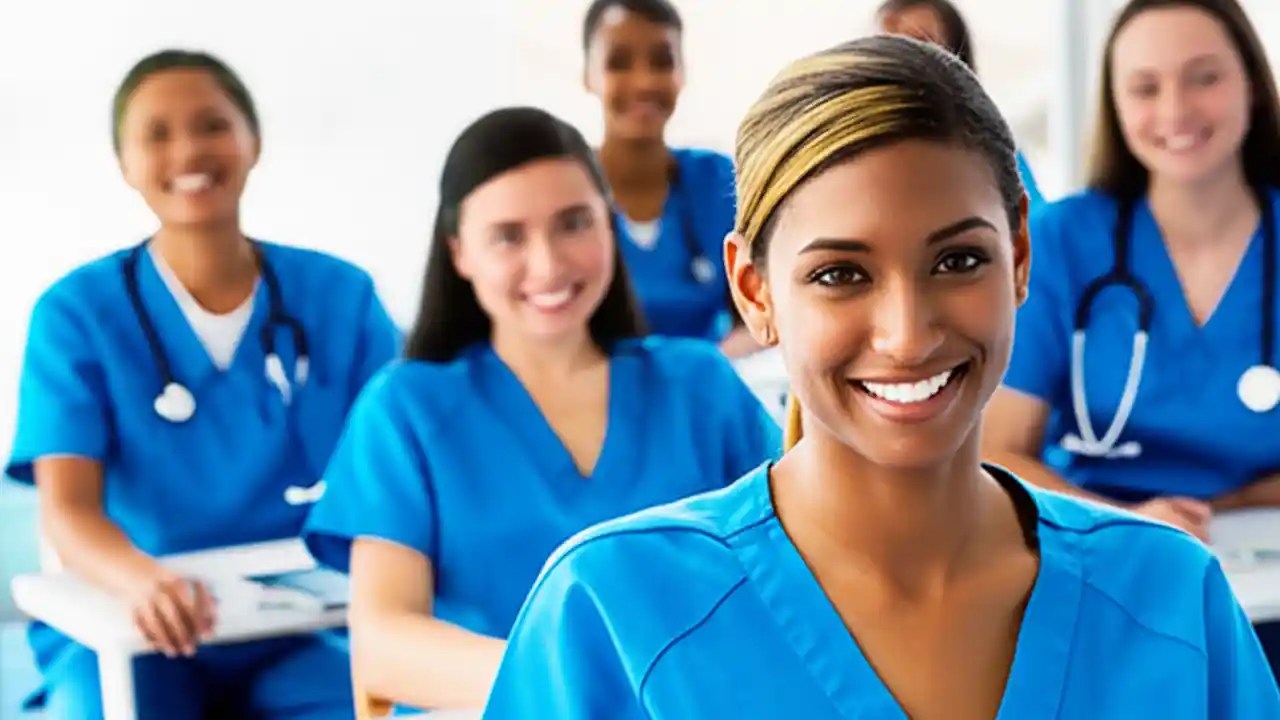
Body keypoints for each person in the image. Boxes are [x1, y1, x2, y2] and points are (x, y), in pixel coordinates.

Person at [481, 35, 1279, 719]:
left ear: (1021, 259)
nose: (907, 335)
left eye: (959, 260)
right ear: (754, 291)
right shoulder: (611, 613)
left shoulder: (1173, 601)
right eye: (839, 275)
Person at [301, 106, 781, 713]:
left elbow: (795, 570)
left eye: (574, 223)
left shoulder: (699, 384)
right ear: (459, 253)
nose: (549, 264)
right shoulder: (405, 411)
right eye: (508, 236)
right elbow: (386, 644)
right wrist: (586, 688)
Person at [3, 50, 401, 719]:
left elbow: (394, 480)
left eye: (212, 125)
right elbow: (68, 512)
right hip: (134, 615)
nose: (189, 149)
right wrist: (143, 580)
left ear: (253, 142)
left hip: (300, 627)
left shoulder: (343, 297)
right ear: (125, 165)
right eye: (156, 133)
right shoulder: (75, 314)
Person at [982, 0, 1280, 676]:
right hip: (1099, 568)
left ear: (1253, 86)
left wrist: (1216, 510)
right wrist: (1136, 523)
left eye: (1204, 77)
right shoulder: (1063, 243)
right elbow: (999, 451)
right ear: (1115, 104)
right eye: (1145, 87)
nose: (1175, 110)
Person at [581, 0, 758, 355]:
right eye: (618, 62)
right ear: (588, 75)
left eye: (662, 62)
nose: (644, 82)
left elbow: (760, 313)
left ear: (683, 72)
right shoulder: (560, 190)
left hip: (705, 395)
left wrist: (703, 373)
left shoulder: (719, 181)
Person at [874, 0, 1047, 211]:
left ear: (956, 61)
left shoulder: (994, 151)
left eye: (917, 42)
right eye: (883, 43)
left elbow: (1030, 229)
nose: (895, 57)